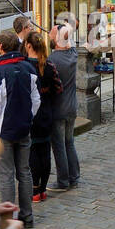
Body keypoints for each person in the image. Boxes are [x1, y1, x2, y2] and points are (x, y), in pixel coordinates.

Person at [0, 30, 39, 228]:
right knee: (24, 172)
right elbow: (36, 100)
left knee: (6, 175)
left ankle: (9, 219)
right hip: (23, 127)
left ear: (1, 46)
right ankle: (27, 217)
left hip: (3, 130)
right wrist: (28, 118)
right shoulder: (28, 68)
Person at [24, 30, 61, 203]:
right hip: (46, 113)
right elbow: (58, 89)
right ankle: (43, 189)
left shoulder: (25, 67)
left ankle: (34, 190)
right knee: (45, 151)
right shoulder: (49, 66)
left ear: (28, 46)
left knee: (32, 152)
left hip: (31, 115)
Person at [47, 24, 80, 192]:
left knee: (59, 145)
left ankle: (63, 180)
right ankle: (74, 176)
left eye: (52, 34)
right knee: (69, 143)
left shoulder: (52, 60)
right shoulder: (73, 54)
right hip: (71, 107)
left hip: (58, 109)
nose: (50, 36)